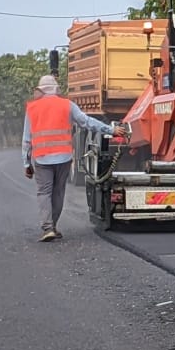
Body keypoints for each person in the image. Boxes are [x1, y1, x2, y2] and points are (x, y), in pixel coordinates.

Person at [22, 74, 117, 242]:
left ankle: (48, 227)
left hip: (42, 158)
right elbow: (87, 122)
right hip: (63, 157)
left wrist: (26, 163)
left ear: (41, 90)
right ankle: (53, 226)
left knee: (44, 192)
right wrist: (111, 130)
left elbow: (26, 139)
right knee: (58, 192)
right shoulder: (67, 105)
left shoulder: (32, 108)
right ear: (56, 90)